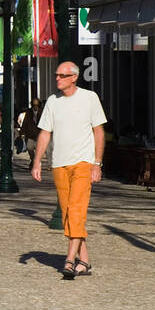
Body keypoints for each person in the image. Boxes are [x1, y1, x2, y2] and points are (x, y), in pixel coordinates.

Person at [31, 61, 107, 279]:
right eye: (56, 75)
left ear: (74, 77)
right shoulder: (53, 102)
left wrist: (97, 163)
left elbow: (98, 132)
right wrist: (37, 162)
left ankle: (69, 260)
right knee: (67, 213)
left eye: (62, 75)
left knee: (76, 210)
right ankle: (85, 260)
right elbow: (45, 133)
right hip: (59, 164)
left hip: (83, 162)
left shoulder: (89, 98)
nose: (57, 78)